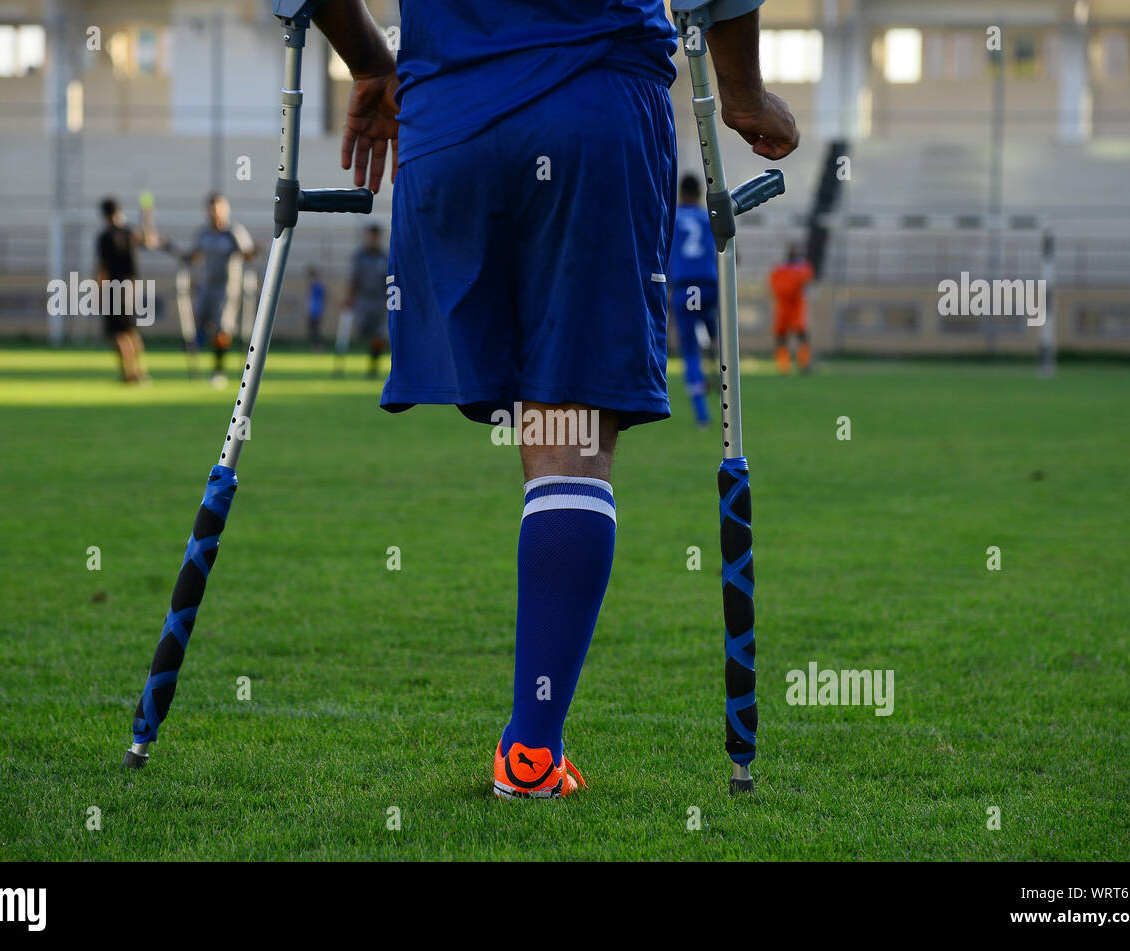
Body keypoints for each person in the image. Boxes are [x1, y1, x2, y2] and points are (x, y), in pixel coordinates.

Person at [313, 0, 798, 799]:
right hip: (591, 109)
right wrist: (743, 94)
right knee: (567, 437)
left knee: (542, 429)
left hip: (447, 128)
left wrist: (370, 61)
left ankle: (535, 738)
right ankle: (531, 752)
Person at [185, 193, 257, 387]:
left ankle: (219, 370)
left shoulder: (233, 232)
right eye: (211, 208)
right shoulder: (204, 233)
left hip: (227, 288)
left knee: (223, 328)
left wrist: (255, 250)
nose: (215, 212)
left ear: (226, 209)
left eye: (218, 207)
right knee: (207, 327)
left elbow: (247, 253)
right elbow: (194, 255)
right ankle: (211, 362)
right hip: (207, 286)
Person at [668, 174, 718, 429]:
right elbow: (729, 252)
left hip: (685, 288)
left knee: (689, 353)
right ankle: (714, 352)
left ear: (681, 193)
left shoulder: (672, 218)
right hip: (711, 286)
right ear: (700, 193)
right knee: (717, 339)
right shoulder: (710, 216)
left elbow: (663, 253)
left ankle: (702, 416)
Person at [95, 197, 154, 384]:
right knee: (131, 331)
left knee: (118, 333)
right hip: (132, 286)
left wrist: (98, 290)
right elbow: (149, 240)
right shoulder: (130, 232)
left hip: (114, 287)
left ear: (104, 215)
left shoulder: (105, 237)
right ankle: (141, 371)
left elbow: (102, 267)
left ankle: (128, 373)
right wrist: (146, 215)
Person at [346, 224, 389, 377]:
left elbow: (388, 280)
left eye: (375, 236)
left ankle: (373, 364)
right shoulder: (359, 256)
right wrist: (350, 297)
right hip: (363, 299)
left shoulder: (384, 257)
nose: (373, 239)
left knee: (379, 334)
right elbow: (353, 278)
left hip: (379, 300)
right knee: (364, 331)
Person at [769, 244, 815, 374]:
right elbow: (774, 284)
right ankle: (783, 365)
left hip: (797, 305)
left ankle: (804, 362)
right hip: (783, 305)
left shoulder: (802, 266)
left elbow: (806, 279)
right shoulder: (780, 267)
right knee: (781, 335)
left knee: (802, 333)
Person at [307, 267, 327, 352]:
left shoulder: (317, 286)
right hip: (313, 310)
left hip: (316, 311)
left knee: (315, 330)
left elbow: (324, 296)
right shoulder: (315, 285)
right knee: (312, 330)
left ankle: (318, 346)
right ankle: (315, 346)